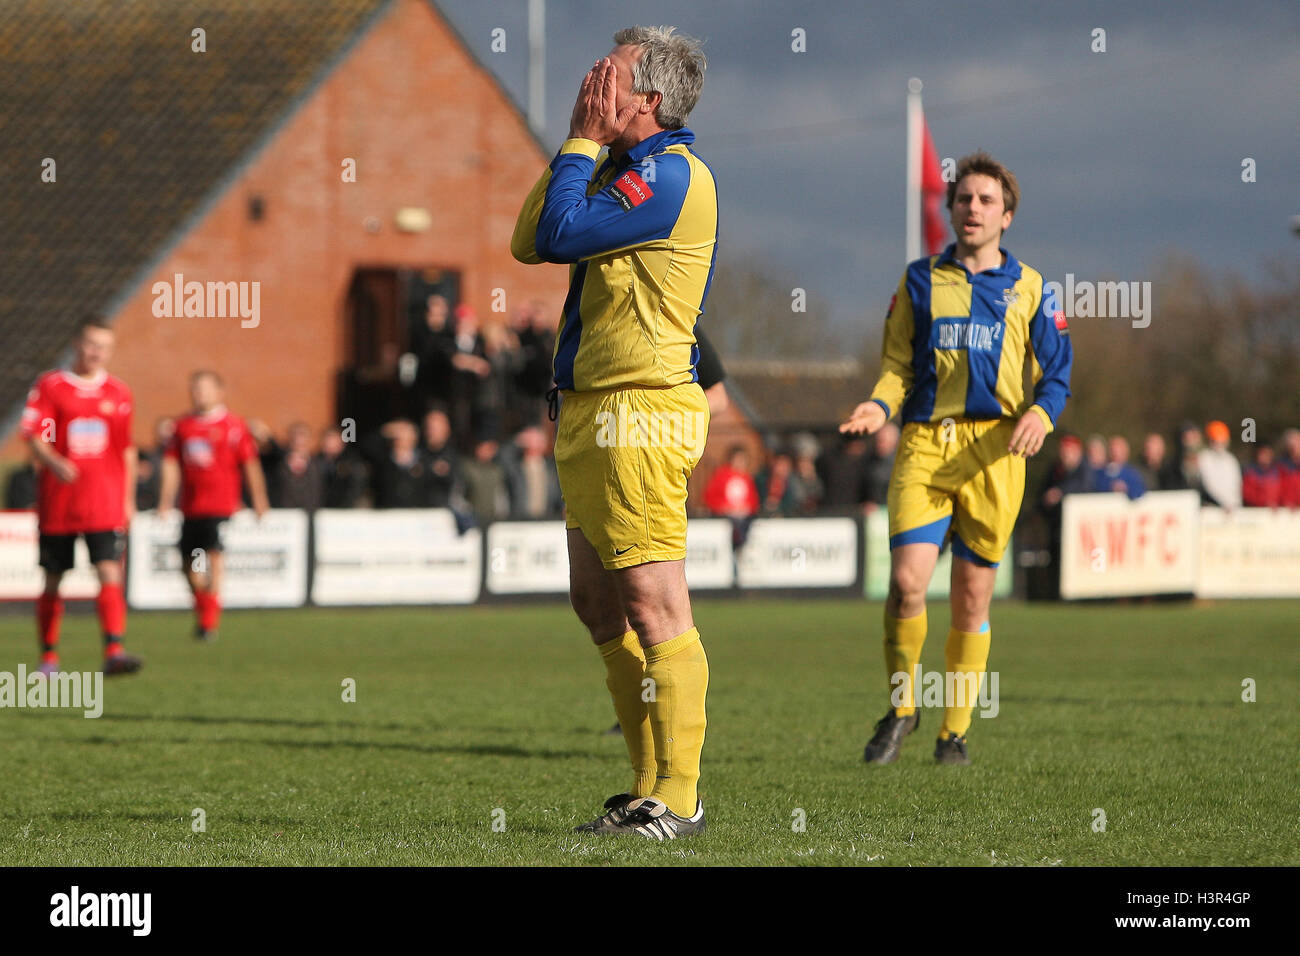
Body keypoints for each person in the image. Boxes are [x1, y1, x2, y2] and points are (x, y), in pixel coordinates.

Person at [511, 25, 714, 838]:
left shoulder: (669, 175)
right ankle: (646, 786)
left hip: (643, 408)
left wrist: (580, 146)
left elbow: (557, 235)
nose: (594, 81)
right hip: (589, 407)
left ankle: (682, 797)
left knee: (652, 600)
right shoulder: (615, 168)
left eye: (612, 76)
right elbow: (529, 239)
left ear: (650, 101)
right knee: (597, 604)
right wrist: (577, 142)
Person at [840, 152, 1072, 766]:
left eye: (986, 200)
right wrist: (877, 407)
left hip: (997, 452)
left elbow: (1057, 375)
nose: (973, 208)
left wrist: (1039, 416)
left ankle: (955, 734)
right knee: (906, 583)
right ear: (949, 210)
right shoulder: (917, 280)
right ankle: (902, 708)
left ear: (1007, 216)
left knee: (972, 598)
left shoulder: (1031, 287)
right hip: (925, 444)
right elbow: (895, 367)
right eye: (963, 199)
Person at [20, 318, 142, 676]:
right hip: (60, 501)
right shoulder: (51, 386)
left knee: (108, 571)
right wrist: (54, 462)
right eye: (90, 344)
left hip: (104, 501)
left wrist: (128, 499)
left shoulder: (118, 392)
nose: (96, 353)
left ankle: (114, 651)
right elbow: (35, 434)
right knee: (54, 578)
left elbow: (127, 450)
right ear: (77, 342)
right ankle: (49, 658)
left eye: (103, 347)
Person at [158, 371, 270, 641]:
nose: (199, 394)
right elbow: (172, 465)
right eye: (195, 389)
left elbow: (250, 464)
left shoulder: (233, 425)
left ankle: (210, 622)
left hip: (221, 506)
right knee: (190, 564)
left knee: (214, 558)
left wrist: (259, 499)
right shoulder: (183, 426)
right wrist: (165, 501)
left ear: (219, 392)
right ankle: (204, 608)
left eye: (205, 389)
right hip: (191, 507)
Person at [1198, 420, 1242, 510]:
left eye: (1221, 441)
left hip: (1232, 509)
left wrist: (1234, 505)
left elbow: (1236, 486)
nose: (1219, 444)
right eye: (1215, 441)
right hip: (1211, 508)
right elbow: (1208, 485)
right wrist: (1222, 504)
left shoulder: (1231, 460)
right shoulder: (1204, 458)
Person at [1241, 442, 1282, 508]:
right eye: (1263, 453)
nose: (1266, 456)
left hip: (1275, 513)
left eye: (1268, 453)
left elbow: (1283, 492)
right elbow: (1248, 495)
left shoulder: (1278, 471)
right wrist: (1264, 503)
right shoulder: (1249, 472)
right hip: (1256, 512)